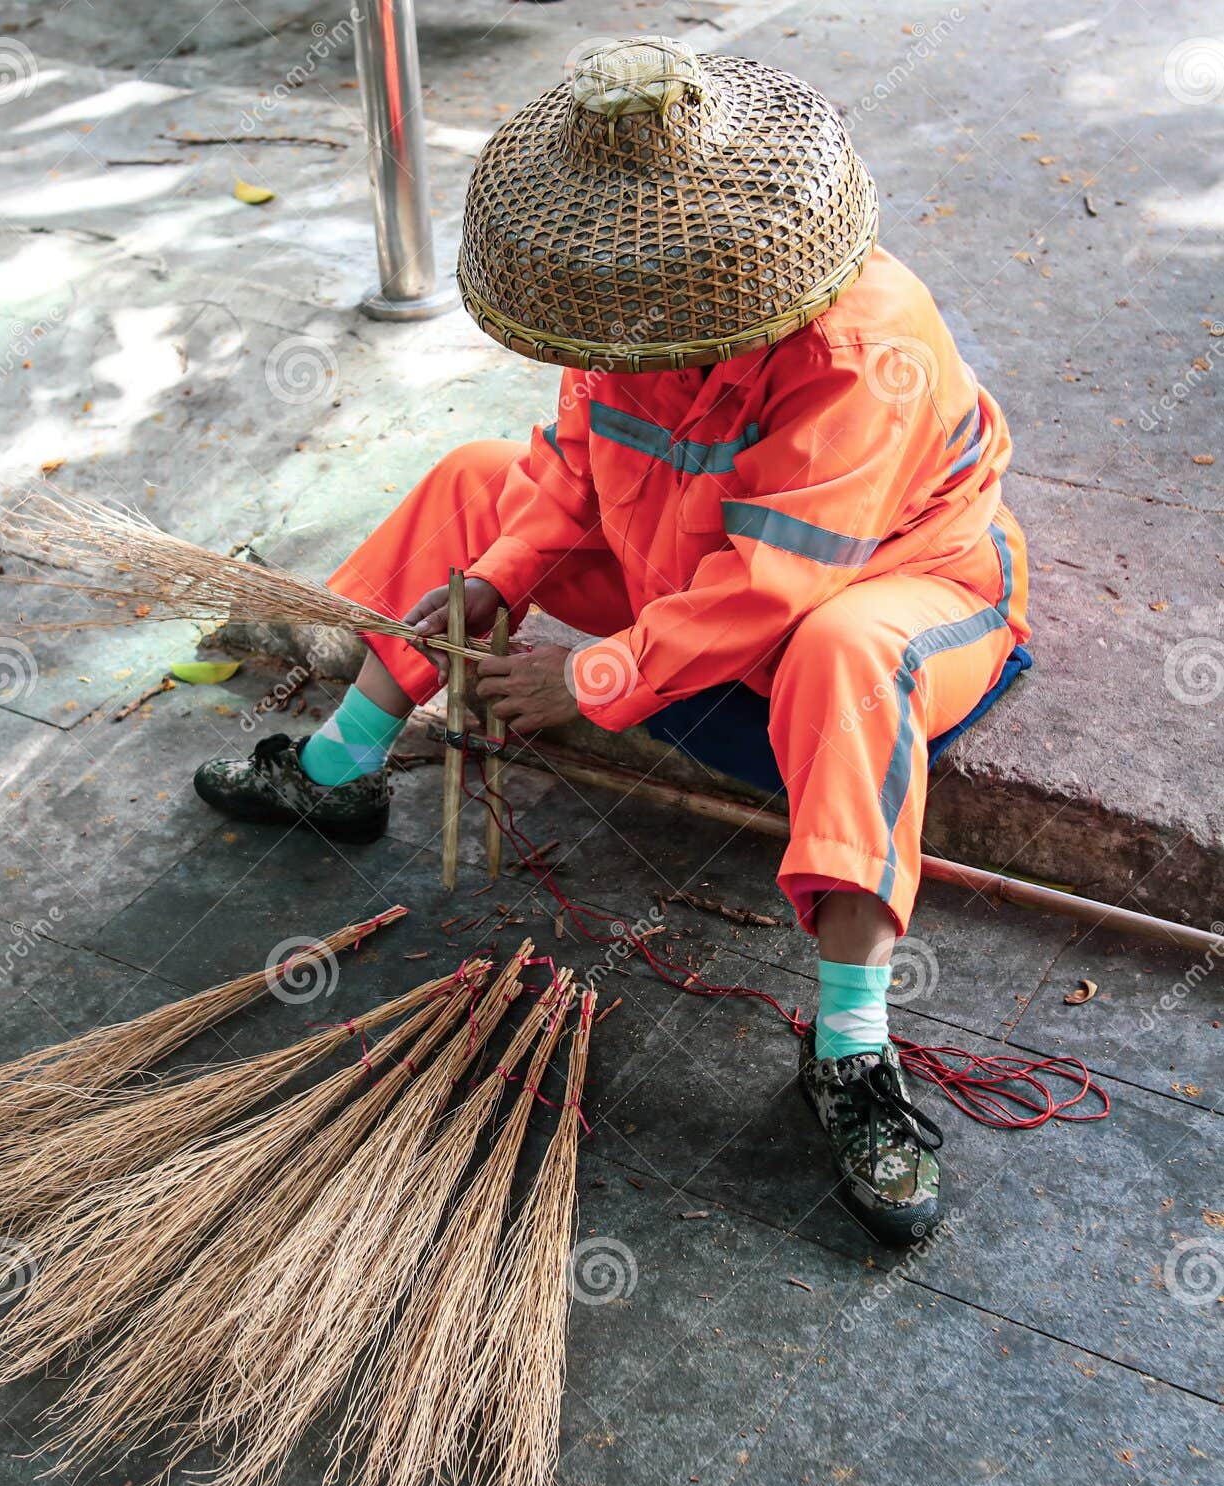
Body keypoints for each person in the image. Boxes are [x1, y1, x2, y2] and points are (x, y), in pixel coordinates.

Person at [194, 38, 1031, 1244]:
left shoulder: (864, 347)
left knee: (848, 651)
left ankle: (851, 1048)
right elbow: (574, 469)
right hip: (689, 567)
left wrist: (593, 676)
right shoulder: (626, 291)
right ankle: (339, 766)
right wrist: (500, 578)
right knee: (479, 482)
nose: (623, 342)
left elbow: (776, 583)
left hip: (897, 581)